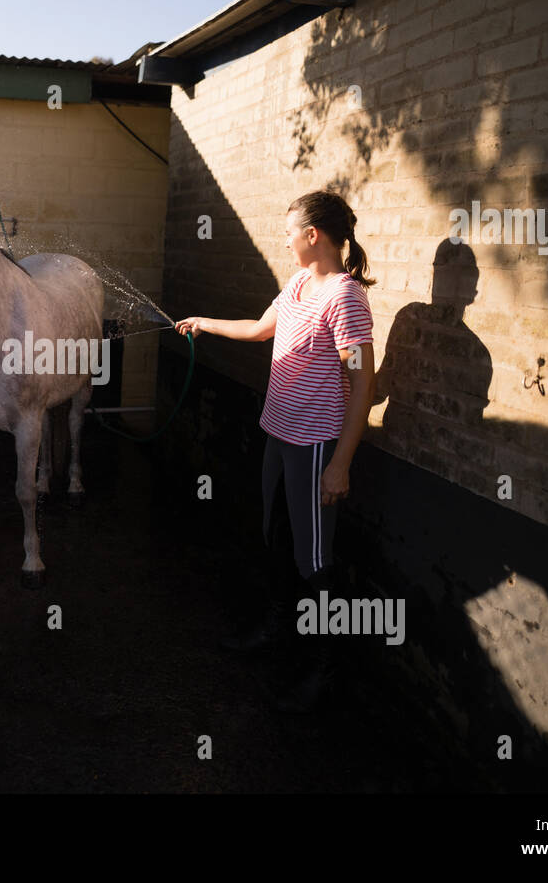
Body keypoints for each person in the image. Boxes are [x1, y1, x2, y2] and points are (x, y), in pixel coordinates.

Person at [174, 190, 376, 712]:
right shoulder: (299, 282)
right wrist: (203, 322)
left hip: (315, 445)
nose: (284, 240)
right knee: (276, 539)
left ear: (314, 235)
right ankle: (277, 633)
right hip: (279, 434)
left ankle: (327, 670)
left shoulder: (345, 296)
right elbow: (262, 330)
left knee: (315, 563)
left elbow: (363, 382)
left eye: (290, 232)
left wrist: (340, 463)